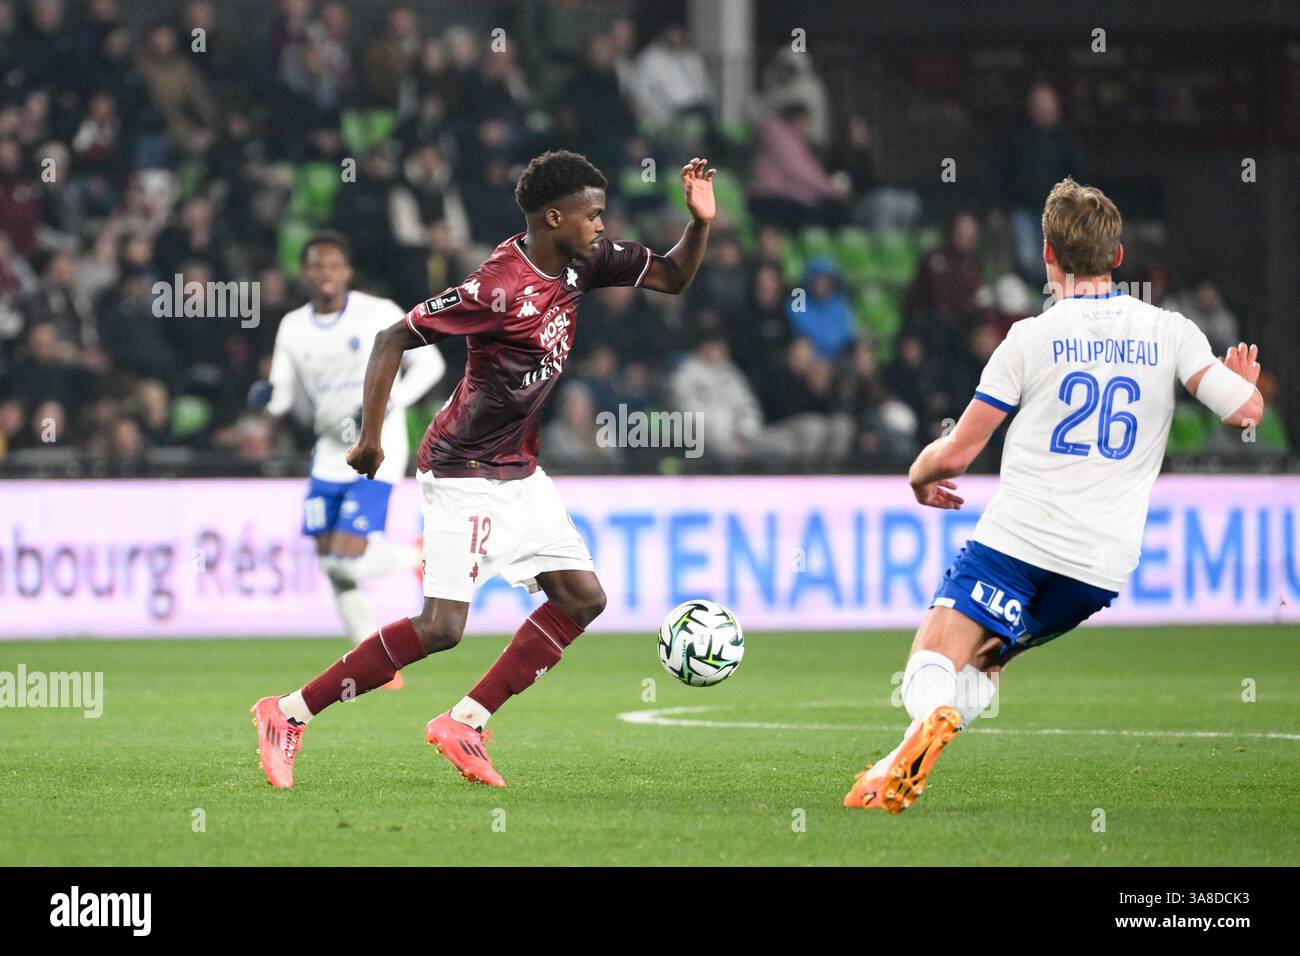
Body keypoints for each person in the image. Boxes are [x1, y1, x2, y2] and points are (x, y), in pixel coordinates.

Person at [252, 151, 716, 789]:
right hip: (462, 470)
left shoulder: (588, 262)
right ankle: (286, 712)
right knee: (442, 627)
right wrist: (369, 437)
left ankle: (464, 722)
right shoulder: (496, 287)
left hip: (520, 471)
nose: (603, 227)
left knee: (583, 599)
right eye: (594, 216)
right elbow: (393, 338)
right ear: (555, 217)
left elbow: (671, 278)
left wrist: (700, 224)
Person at [844, 178, 1264, 813]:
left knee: (935, 653)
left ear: (1047, 256)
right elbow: (1246, 414)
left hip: (1019, 540)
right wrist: (1243, 385)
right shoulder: (1171, 330)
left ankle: (923, 727)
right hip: (1100, 568)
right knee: (986, 661)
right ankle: (893, 765)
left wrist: (917, 473)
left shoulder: (1029, 338)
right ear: (1119, 257)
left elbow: (958, 451)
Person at [251, 232, 445, 687]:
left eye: (333, 266)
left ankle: (415, 557)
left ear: (347, 272)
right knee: (333, 568)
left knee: (344, 560)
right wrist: (265, 398)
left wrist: (388, 403)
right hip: (326, 453)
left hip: (375, 447)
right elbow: (280, 399)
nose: (325, 274)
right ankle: (378, 666)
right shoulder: (293, 327)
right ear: (305, 273)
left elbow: (431, 365)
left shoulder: (377, 313)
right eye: (317, 266)